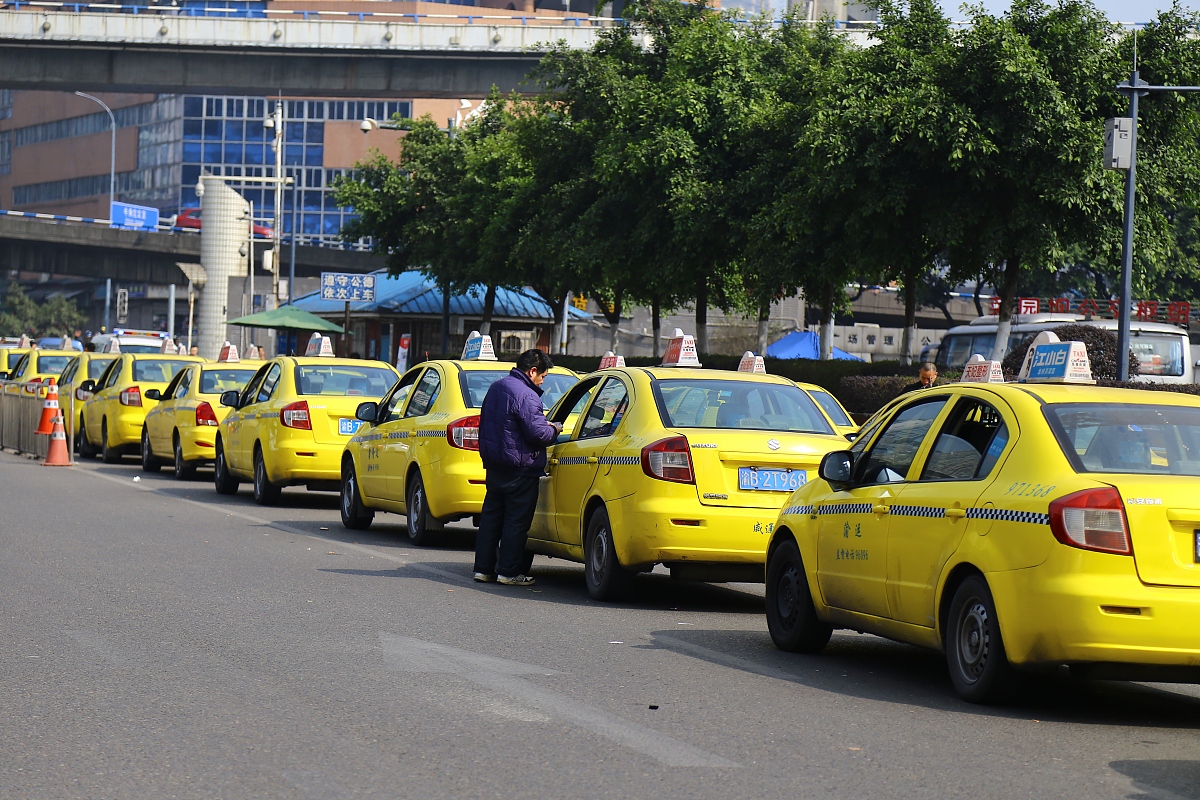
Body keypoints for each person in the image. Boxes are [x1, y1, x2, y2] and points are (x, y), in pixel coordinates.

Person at [474, 349, 562, 586]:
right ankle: (509, 572)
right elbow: (538, 433)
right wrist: (555, 428)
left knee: (491, 519)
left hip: (495, 466)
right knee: (516, 522)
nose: (542, 381)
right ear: (532, 371)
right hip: (521, 469)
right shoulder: (527, 395)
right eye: (542, 376)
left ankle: (483, 569)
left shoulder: (496, 387)